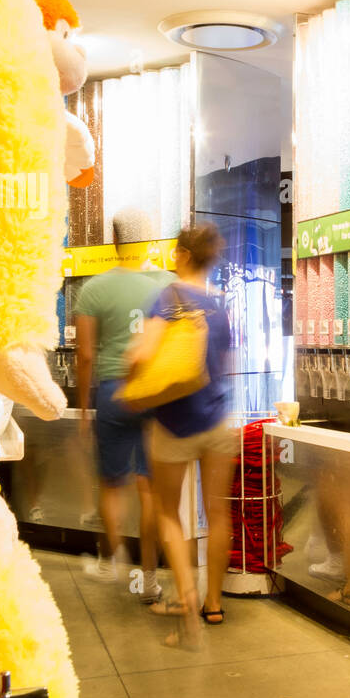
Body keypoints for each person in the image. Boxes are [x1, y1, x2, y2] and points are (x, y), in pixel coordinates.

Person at [130, 224, 238, 650]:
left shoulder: (168, 297)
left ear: (182, 256)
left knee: (167, 512)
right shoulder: (219, 306)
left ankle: (188, 604)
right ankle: (214, 603)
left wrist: (128, 366)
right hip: (217, 421)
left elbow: (142, 353)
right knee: (218, 516)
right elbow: (223, 363)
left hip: (174, 423)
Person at [74, 208, 172, 597]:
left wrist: (84, 406)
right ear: (149, 241)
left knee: (112, 484)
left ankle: (110, 560)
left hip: (114, 391)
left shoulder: (94, 288)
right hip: (156, 393)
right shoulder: (170, 283)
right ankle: (147, 580)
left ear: (115, 242)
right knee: (150, 489)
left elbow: (84, 355)